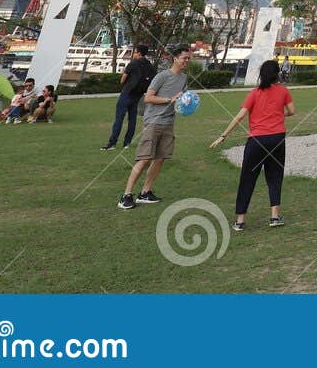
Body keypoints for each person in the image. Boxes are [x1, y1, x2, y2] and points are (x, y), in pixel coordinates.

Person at [211, 58, 294, 231]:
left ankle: (240, 220)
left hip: (257, 140)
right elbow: (292, 111)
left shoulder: (255, 93)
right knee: (275, 176)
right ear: (277, 74)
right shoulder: (283, 91)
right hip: (277, 139)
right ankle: (274, 216)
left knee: (248, 178)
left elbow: (240, 116)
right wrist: (278, 115)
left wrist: (223, 135)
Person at [118, 46, 194, 210]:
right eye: (185, 58)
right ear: (175, 58)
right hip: (153, 122)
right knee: (144, 158)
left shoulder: (184, 78)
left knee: (160, 158)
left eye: (189, 58)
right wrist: (169, 99)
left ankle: (145, 192)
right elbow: (148, 98)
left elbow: (181, 99)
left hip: (168, 123)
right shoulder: (162, 76)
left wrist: (188, 102)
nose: (187, 61)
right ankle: (126, 195)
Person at [102, 44, 156, 151]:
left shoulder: (133, 63)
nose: (134, 54)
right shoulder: (149, 65)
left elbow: (123, 79)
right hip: (138, 94)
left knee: (119, 119)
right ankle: (127, 143)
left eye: (135, 52)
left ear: (139, 53)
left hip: (127, 93)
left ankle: (112, 143)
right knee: (132, 119)